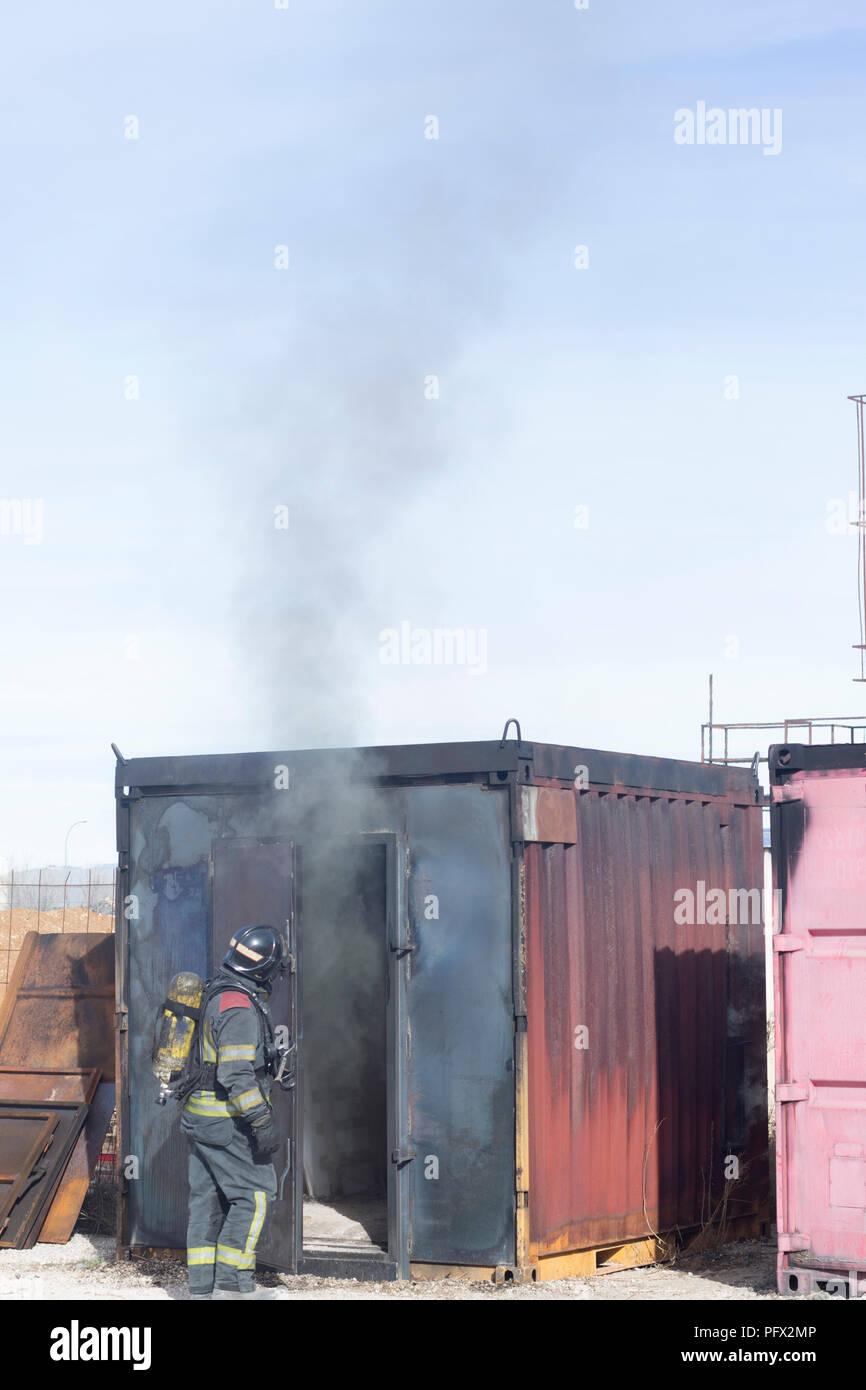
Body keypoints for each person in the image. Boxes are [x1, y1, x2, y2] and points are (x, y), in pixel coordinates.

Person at [179, 923, 288, 1301]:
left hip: (199, 1118)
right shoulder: (239, 1006)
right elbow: (235, 1072)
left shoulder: (216, 993)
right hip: (227, 1122)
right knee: (256, 1196)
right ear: (262, 969)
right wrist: (261, 1121)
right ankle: (233, 1289)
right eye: (274, 969)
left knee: (207, 1201)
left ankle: (201, 1291)